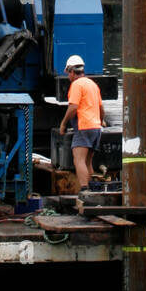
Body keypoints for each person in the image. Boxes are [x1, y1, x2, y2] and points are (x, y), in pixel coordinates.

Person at [59, 54, 106, 191]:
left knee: (78, 160)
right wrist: (101, 122)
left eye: (68, 73)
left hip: (84, 127)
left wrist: (63, 124)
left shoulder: (76, 85)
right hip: (96, 128)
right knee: (87, 161)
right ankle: (92, 190)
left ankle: (85, 190)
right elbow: (101, 108)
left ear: (72, 71)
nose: (68, 76)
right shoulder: (92, 84)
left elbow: (73, 108)